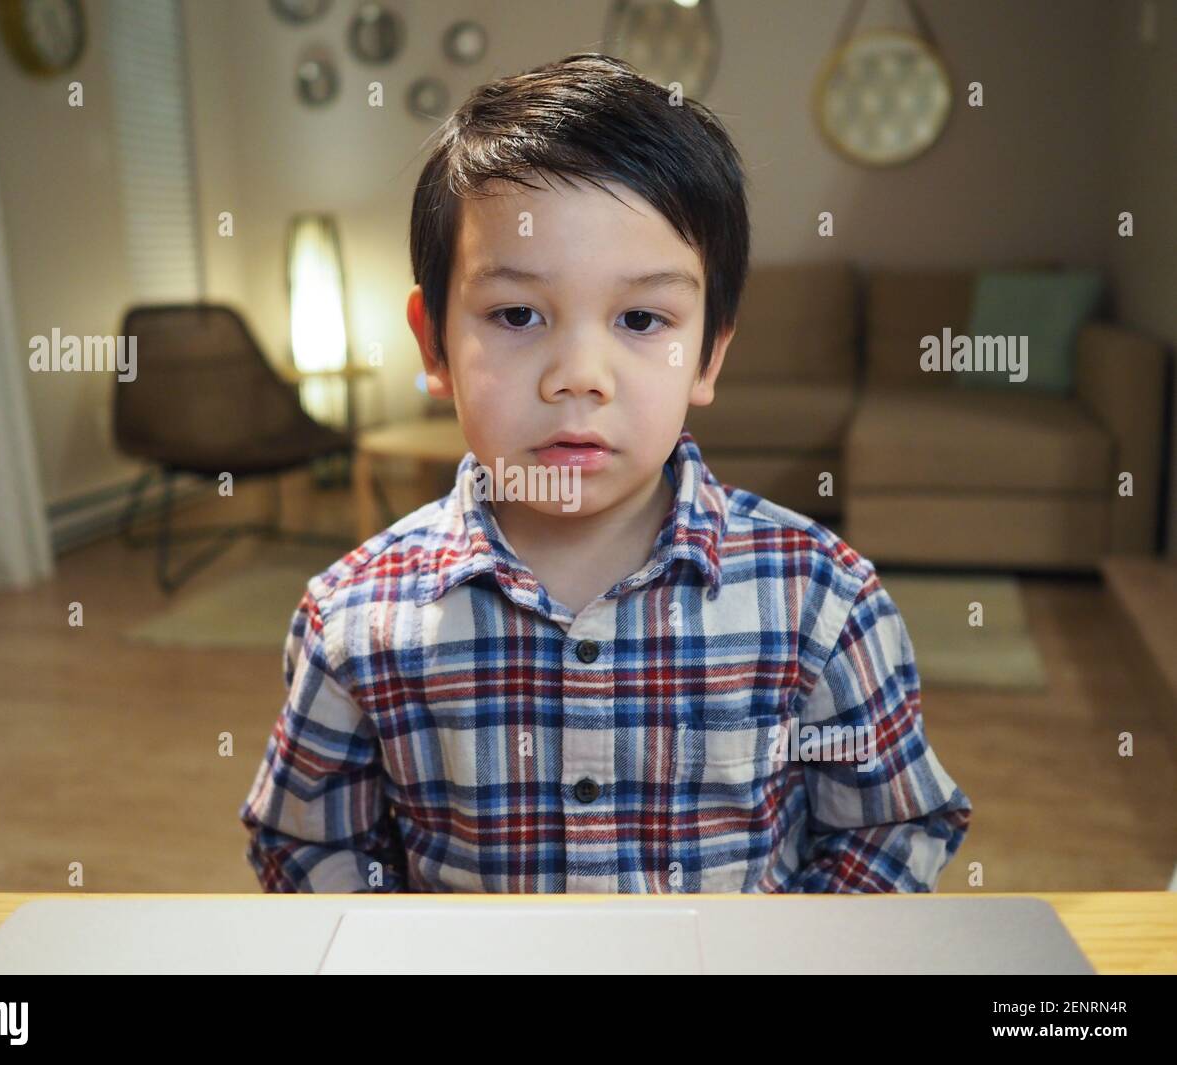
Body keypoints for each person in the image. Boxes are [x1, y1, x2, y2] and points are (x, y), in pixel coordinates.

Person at [239, 53, 972, 893]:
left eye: (640, 318)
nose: (578, 375)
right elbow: (307, 843)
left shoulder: (823, 600)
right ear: (434, 342)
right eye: (516, 314)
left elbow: (890, 827)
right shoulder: (354, 622)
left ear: (708, 352)